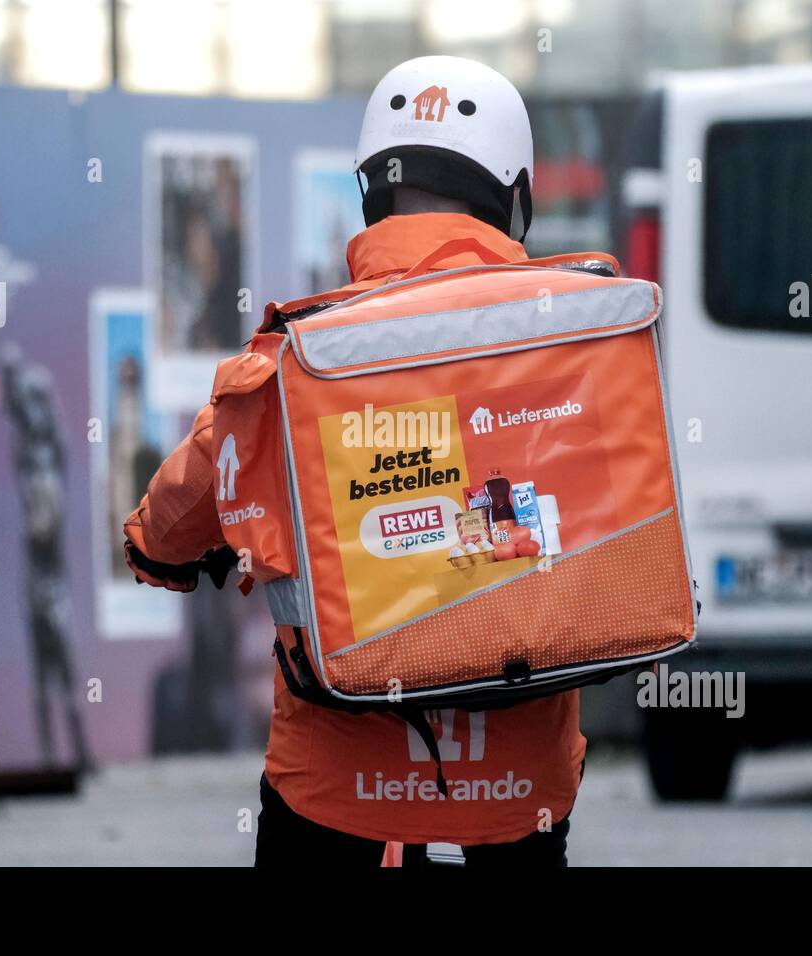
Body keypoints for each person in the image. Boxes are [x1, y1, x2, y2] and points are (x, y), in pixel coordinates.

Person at [124, 56, 588, 867]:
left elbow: (176, 516)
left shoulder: (305, 357)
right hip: (519, 802)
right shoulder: (575, 346)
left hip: (337, 800)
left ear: (372, 194)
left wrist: (153, 548)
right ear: (514, 201)